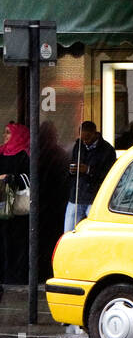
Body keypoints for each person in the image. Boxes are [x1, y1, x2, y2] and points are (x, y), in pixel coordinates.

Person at [65, 121, 116, 232]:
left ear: (95, 134)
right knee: (69, 232)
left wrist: (88, 170)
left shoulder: (107, 150)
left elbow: (109, 174)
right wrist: (72, 171)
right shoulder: (79, 146)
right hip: (77, 195)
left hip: (94, 196)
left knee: (93, 232)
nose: (85, 142)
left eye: (87, 138)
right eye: (82, 138)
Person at [36, 122, 70, 281]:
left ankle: (41, 269)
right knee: (52, 241)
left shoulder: (37, 153)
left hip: (41, 204)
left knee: (41, 240)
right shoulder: (58, 154)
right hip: (55, 205)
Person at [0, 123, 30, 285]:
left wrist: (10, 177)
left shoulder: (24, 155)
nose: (5, 136)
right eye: (5, 133)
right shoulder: (1, 152)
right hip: (2, 203)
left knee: (17, 242)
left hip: (17, 206)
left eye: (8, 133)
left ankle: (17, 276)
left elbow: (29, 178)